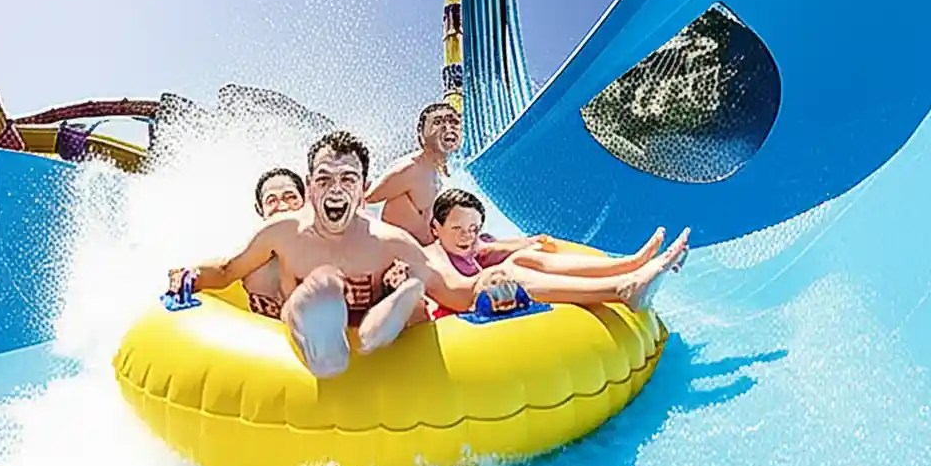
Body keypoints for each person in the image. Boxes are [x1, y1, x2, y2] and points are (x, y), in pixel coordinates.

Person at [167, 130, 689, 379]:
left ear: (363, 187)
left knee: (420, 297)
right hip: (314, 324)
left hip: (385, 329)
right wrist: (191, 273)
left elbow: (458, 296)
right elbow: (228, 271)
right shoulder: (282, 233)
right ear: (310, 185)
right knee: (317, 293)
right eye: (324, 177)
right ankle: (325, 334)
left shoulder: (389, 243)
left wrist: (493, 292)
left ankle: (622, 284)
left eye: (348, 179)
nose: (335, 188)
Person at [421, 188, 689, 318]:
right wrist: (496, 274)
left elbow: (492, 248)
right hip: (461, 317)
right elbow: (458, 291)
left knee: (522, 259)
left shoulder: (471, 245)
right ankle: (621, 289)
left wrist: (530, 244)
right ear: (435, 228)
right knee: (508, 271)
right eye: (457, 228)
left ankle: (631, 264)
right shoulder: (431, 256)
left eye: (473, 228)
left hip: (488, 299)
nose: (467, 236)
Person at [366, 102, 462, 245]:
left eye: (454, 122)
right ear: (421, 135)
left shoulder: (447, 169)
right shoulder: (411, 170)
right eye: (437, 122)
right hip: (406, 255)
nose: (448, 127)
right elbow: (366, 200)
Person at [241, 167, 306, 319]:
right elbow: (220, 269)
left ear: (305, 202)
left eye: (290, 197)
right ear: (260, 210)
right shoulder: (247, 256)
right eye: (271, 200)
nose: (283, 207)